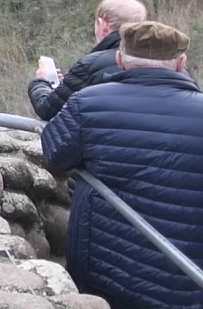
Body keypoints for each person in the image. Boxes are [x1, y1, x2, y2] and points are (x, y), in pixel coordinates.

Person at [41, 20, 203, 309]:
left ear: (119, 59)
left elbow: (55, 154)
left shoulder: (87, 103)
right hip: (188, 275)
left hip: (107, 267)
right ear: (181, 63)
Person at [27, 0, 147, 120]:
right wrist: (64, 86)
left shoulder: (90, 66)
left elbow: (48, 110)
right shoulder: (161, 61)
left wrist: (41, 82)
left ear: (103, 25)